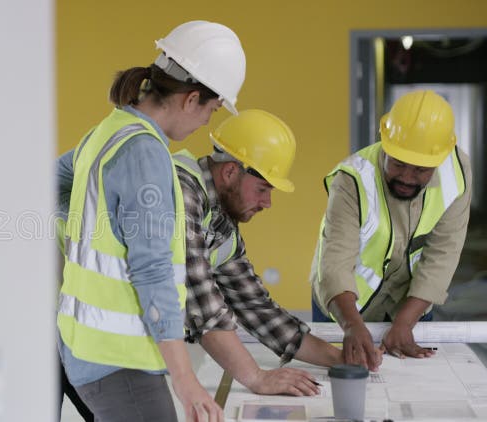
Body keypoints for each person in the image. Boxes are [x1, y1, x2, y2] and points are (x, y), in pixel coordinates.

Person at [56, 20, 245, 422]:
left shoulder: (108, 130)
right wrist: (185, 378)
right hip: (118, 361)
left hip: (83, 346)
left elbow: (55, 181)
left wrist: (81, 230)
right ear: (191, 99)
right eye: (211, 111)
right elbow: (153, 270)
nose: (204, 125)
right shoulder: (145, 152)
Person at [172, 109, 343, 398]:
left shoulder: (222, 227)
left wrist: (339, 360)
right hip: (91, 340)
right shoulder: (180, 189)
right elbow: (201, 299)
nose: (267, 202)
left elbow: (256, 308)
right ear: (229, 172)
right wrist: (256, 378)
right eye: (263, 188)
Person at [310, 90, 472, 371]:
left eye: (421, 170)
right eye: (397, 163)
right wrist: (351, 326)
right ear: (385, 144)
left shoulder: (456, 172)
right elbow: (335, 265)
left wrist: (405, 322)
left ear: (439, 159)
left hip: (409, 304)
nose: (407, 178)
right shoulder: (351, 180)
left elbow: (443, 252)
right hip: (344, 307)